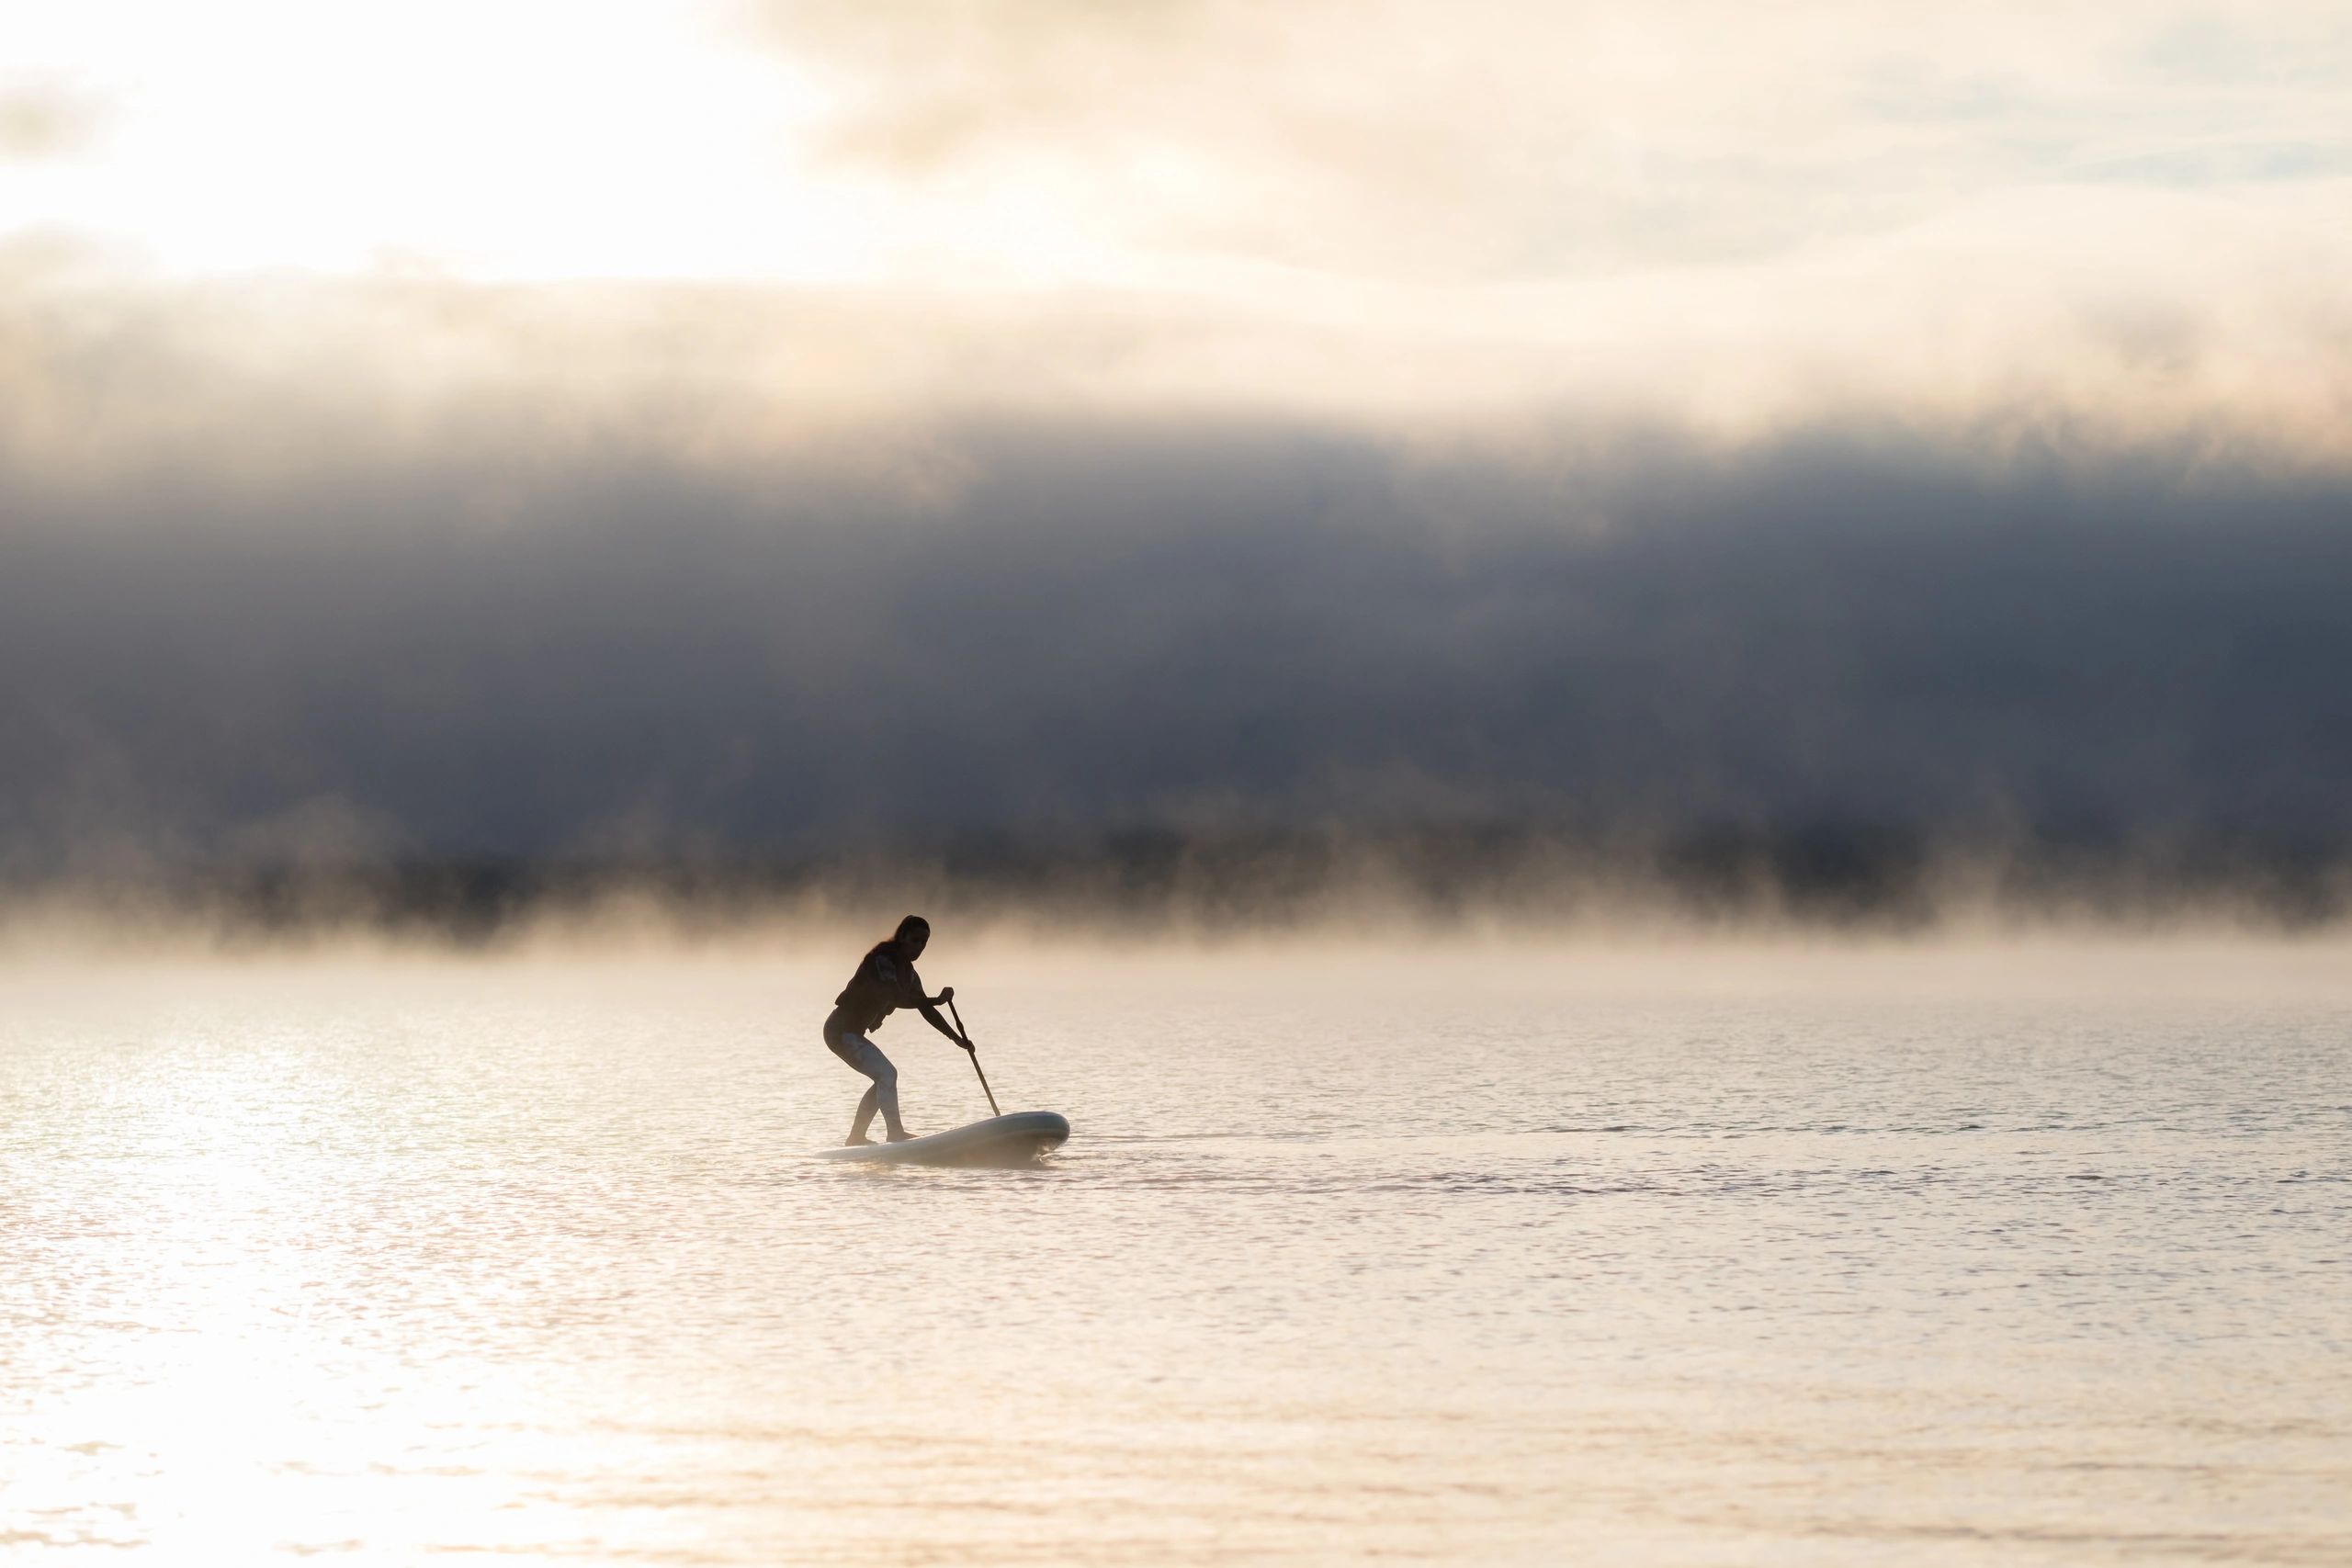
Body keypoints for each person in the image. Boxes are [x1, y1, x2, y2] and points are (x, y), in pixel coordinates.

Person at [822, 914, 970, 1145]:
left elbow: (925, 1009)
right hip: (839, 1030)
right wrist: (937, 1000)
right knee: (887, 1074)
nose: (919, 947)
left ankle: (856, 1138)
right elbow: (896, 997)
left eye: (924, 942)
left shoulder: (909, 973)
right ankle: (895, 1134)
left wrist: (956, 1039)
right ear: (902, 937)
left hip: (850, 1033)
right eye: (915, 940)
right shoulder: (882, 958)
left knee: (883, 1078)